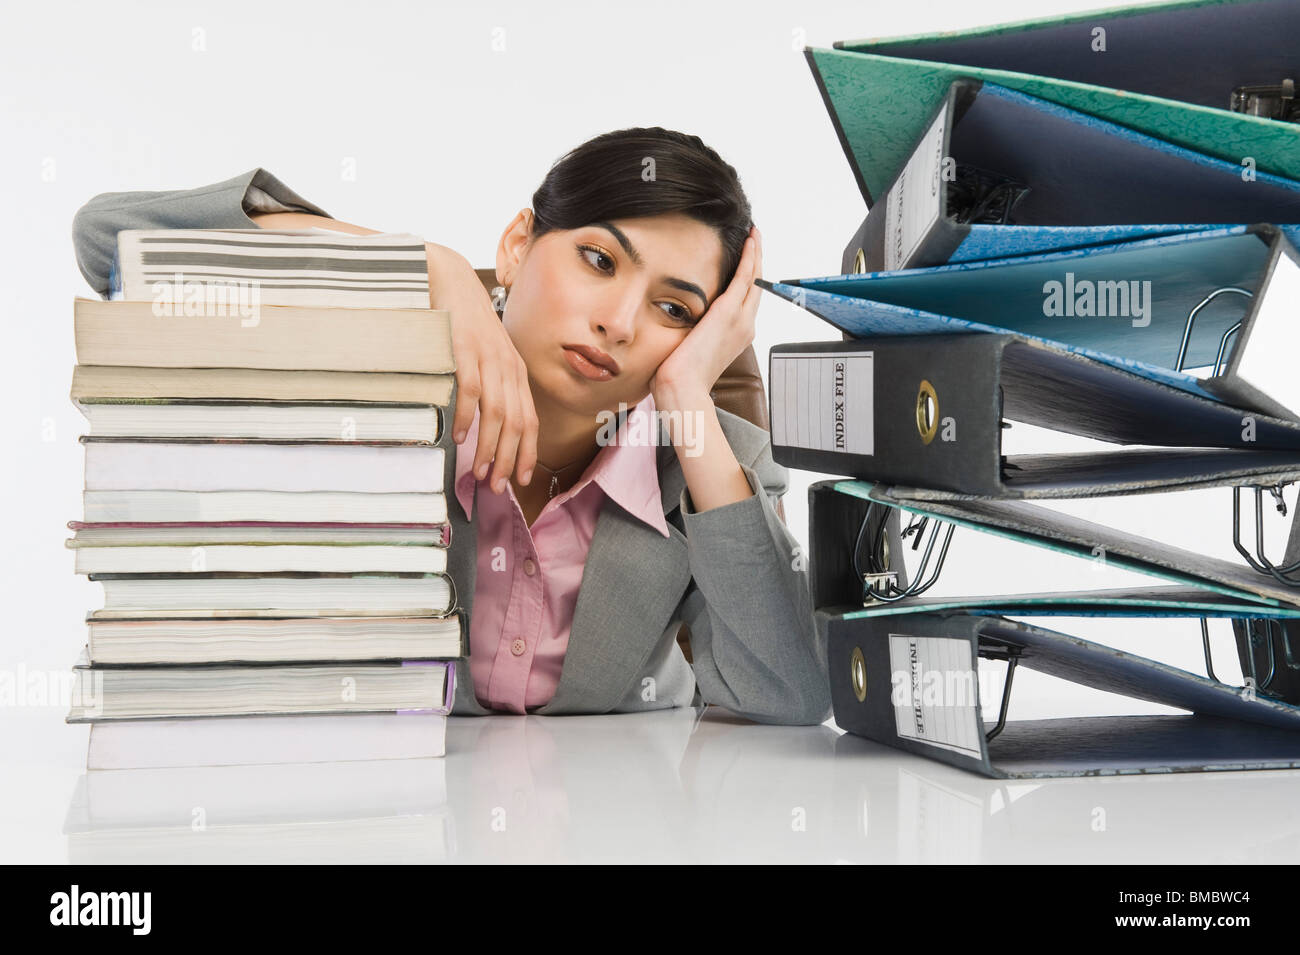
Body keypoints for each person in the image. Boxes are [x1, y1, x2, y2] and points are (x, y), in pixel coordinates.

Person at [71, 126, 831, 724]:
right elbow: (112, 239)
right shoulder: (391, 371)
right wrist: (427, 266)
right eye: (598, 259)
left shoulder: (707, 462)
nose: (620, 323)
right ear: (516, 245)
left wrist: (690, 396)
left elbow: (788, 694)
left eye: (674, 310)